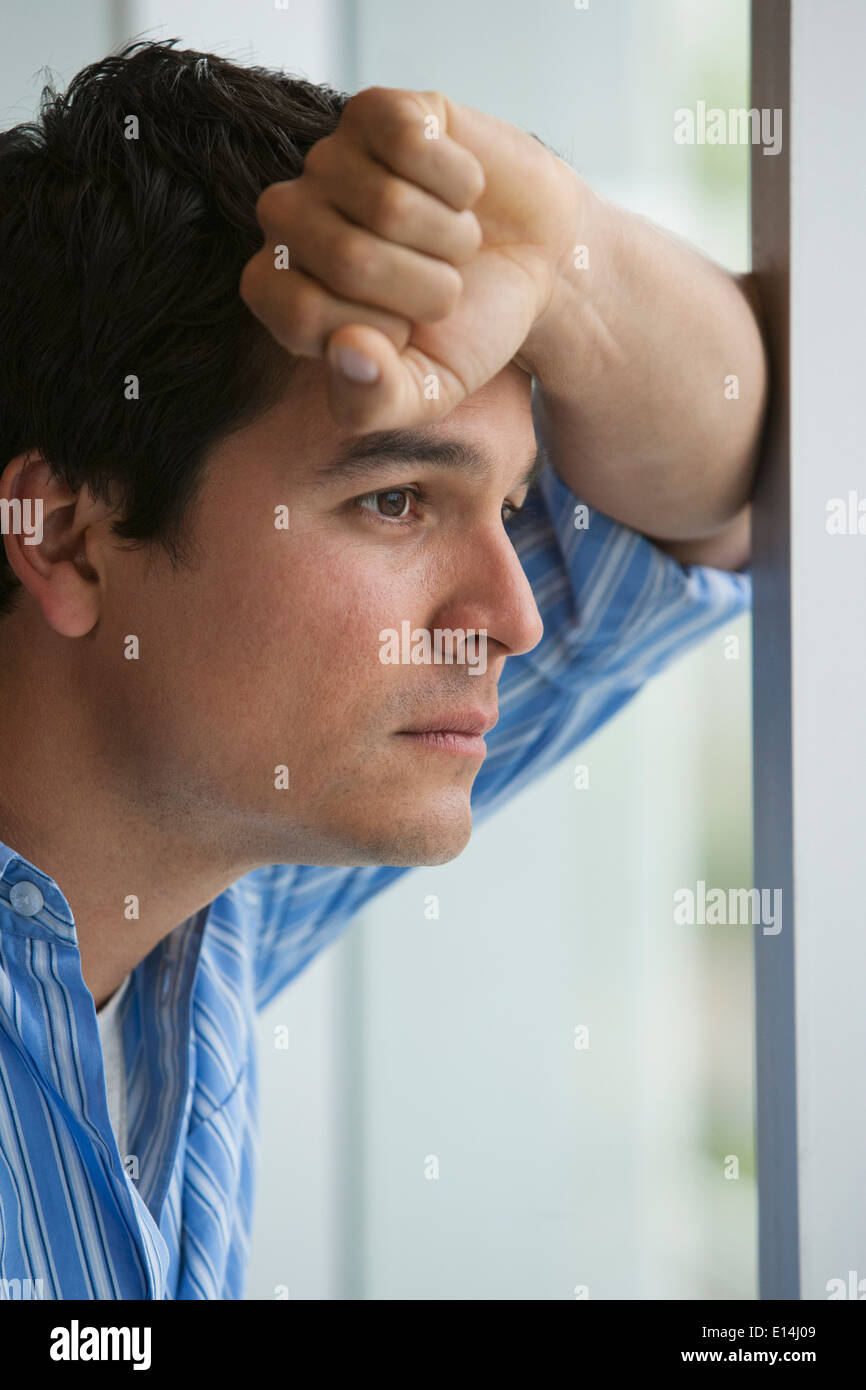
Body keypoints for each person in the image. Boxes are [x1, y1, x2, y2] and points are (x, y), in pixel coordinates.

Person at [0, 38, 765, 1299]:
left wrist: (553, 245)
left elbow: (721, 481)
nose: (510, 614)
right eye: (398, 500)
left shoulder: (201, 904)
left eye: (510, 502)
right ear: (69, 538)